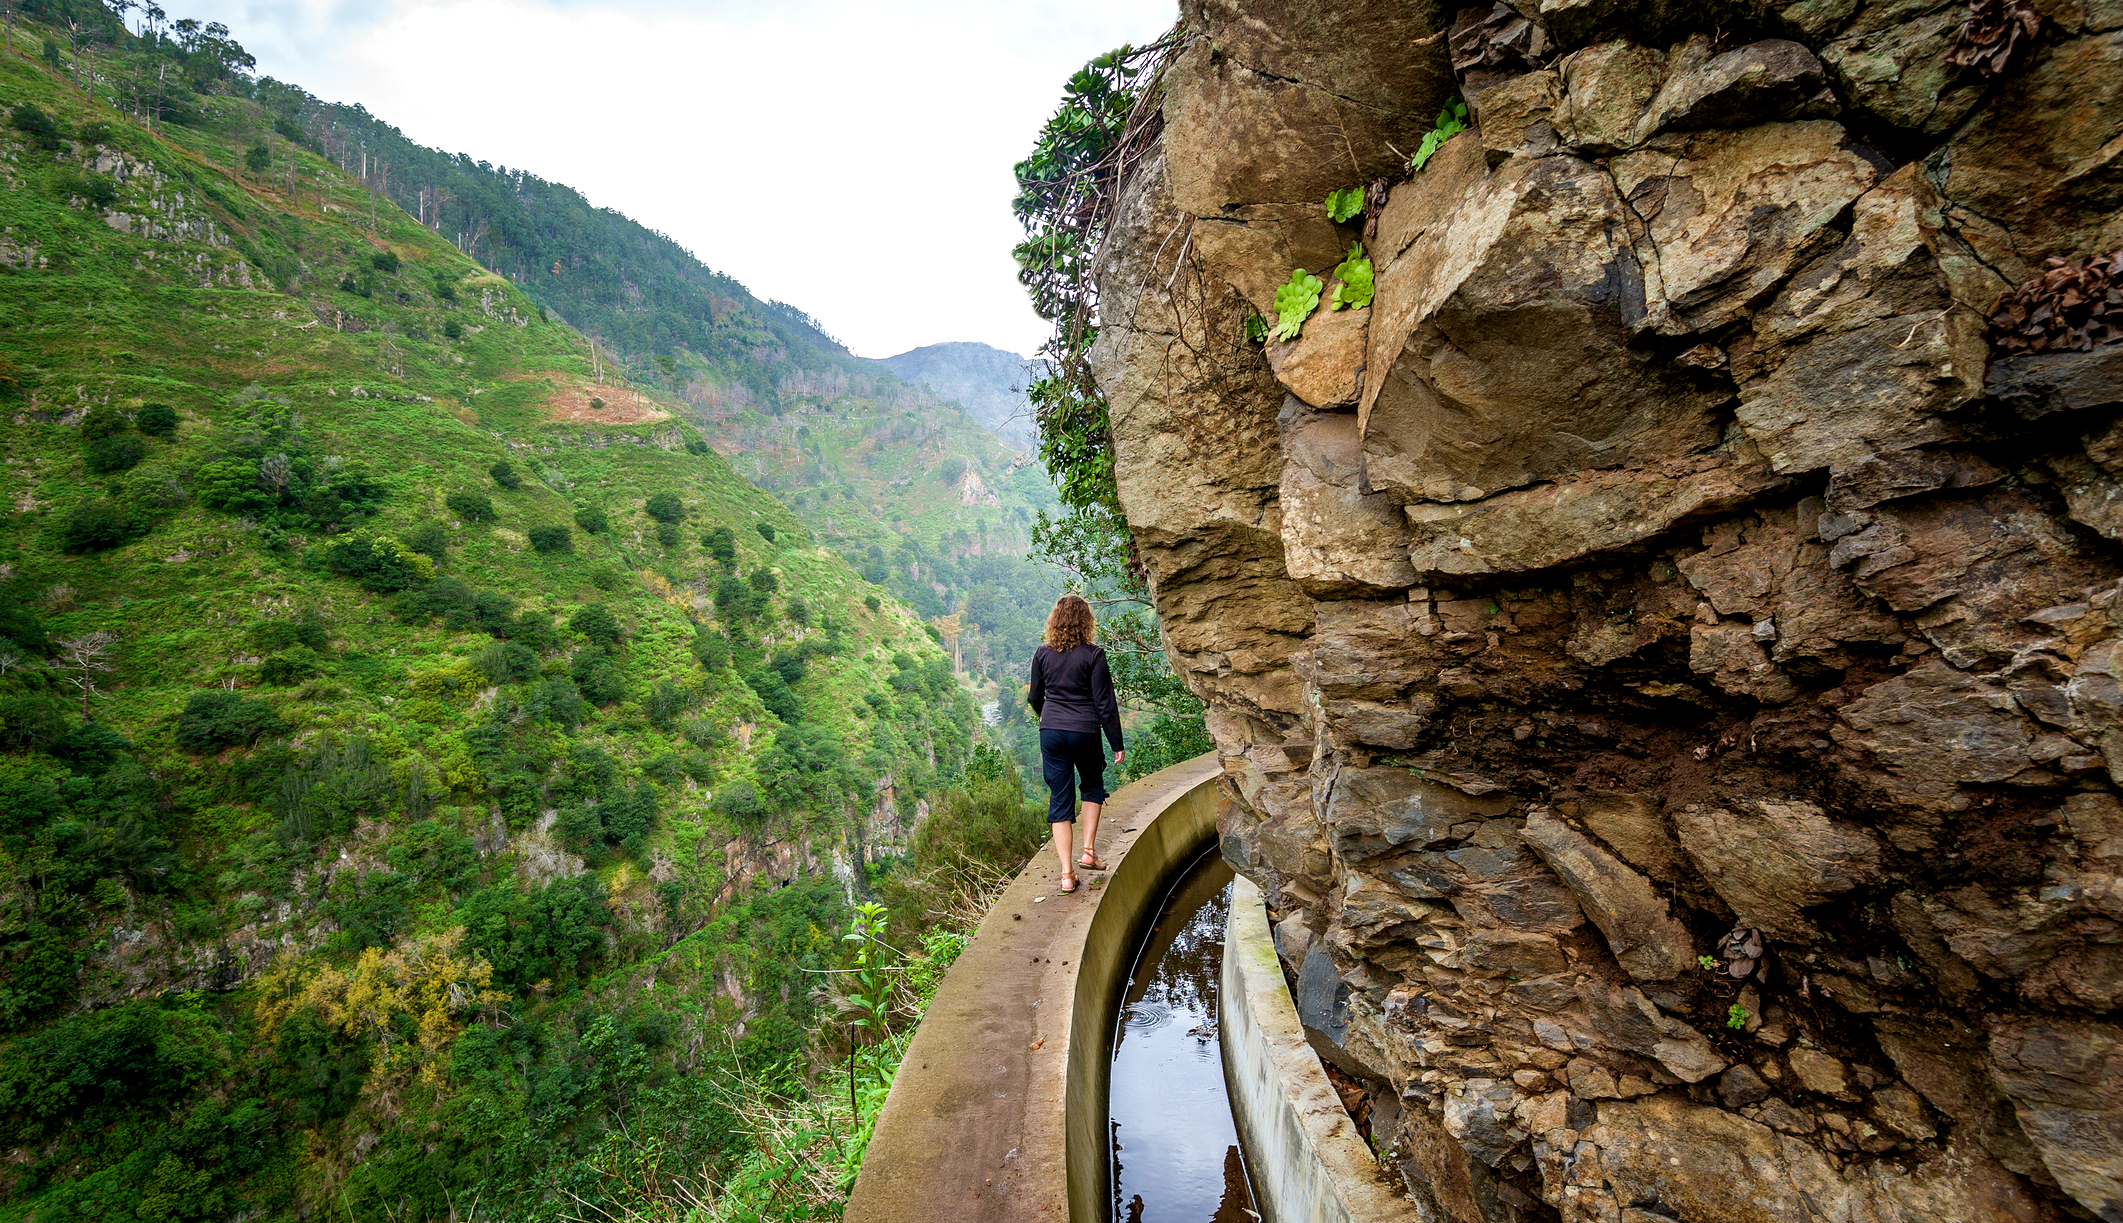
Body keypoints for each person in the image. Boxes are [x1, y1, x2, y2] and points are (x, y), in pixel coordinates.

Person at [1028, 593, 1124, 893]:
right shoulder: (1093, 655)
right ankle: (1088, 852)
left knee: (1060, 798)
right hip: (1084, 730)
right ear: (1086, 622)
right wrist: (1116, 742)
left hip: (1052, 732)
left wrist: (1049, 717)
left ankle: (1067, 875)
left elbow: (1034, 696)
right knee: (1092, 786)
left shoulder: (1042, 653)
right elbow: (1104, 703)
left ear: (1055, 621)